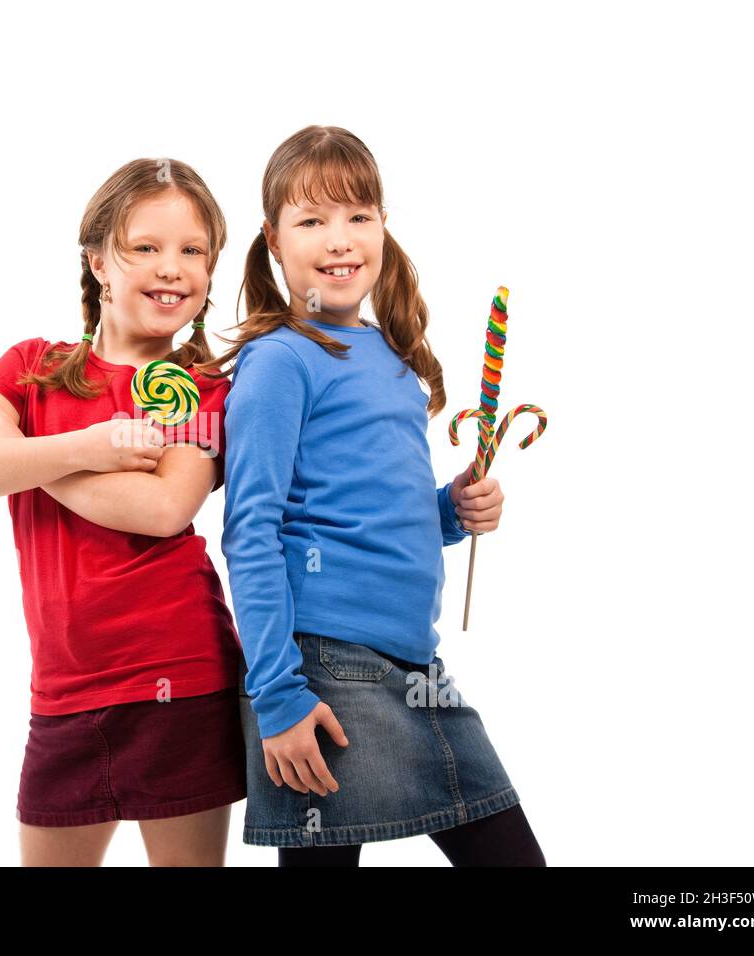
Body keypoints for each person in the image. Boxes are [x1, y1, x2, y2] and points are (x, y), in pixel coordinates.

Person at [200, 125, 545, 867]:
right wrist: (279, 697)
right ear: (273, 239)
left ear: (384, 224)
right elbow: (251, 533)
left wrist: (451, 509)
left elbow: (375, 511)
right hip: (322, 666)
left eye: (359, 215)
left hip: (414, 665)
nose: (340, 239)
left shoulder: (388, 352)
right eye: (312, 219)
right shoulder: (279, 362)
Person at [0, 158, 245, 866]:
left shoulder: (196, 387)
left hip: (179, 675)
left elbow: (164, 509)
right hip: (64, 687)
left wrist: (27, 453)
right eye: (146, 247)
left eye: (193, 251)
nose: (172, 268)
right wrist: (88, 447)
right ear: (99, 260)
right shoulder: (32, 364)